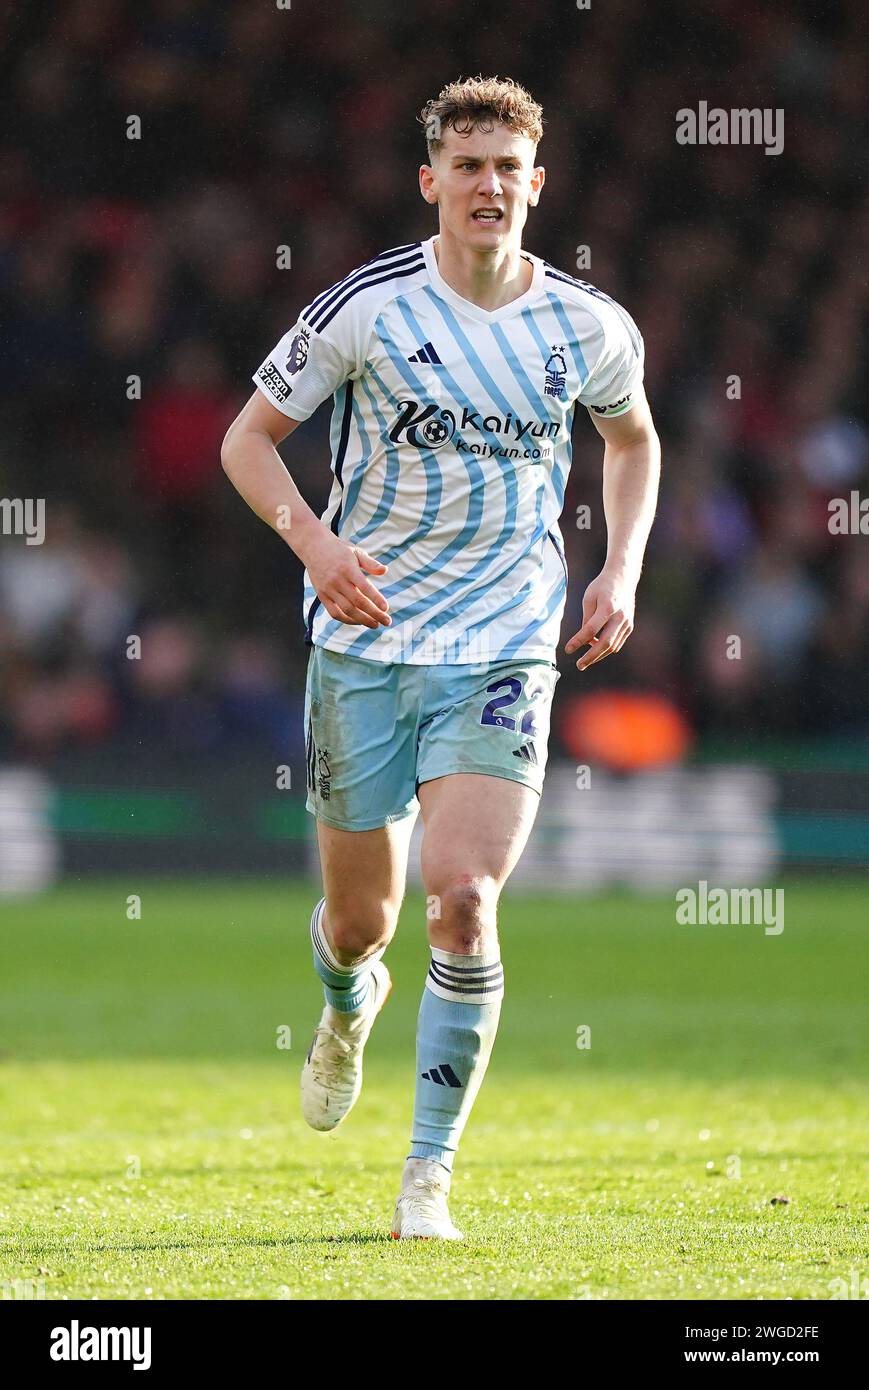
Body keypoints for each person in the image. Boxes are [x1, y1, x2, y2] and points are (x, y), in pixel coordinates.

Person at [221, 75, 661, 1239]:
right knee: (360, 924)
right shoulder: (365, 309)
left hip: (505, 640)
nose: (486, 185)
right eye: (464, 165)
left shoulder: (586, 325)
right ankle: (342, 1004)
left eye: (505, 167)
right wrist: (312, 544)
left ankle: (426, 1178)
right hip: (367, 641)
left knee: (461, 899)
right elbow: (247, 440)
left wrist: (616, 568)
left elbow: (633, 439)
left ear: (535, 184)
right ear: (430, 182)